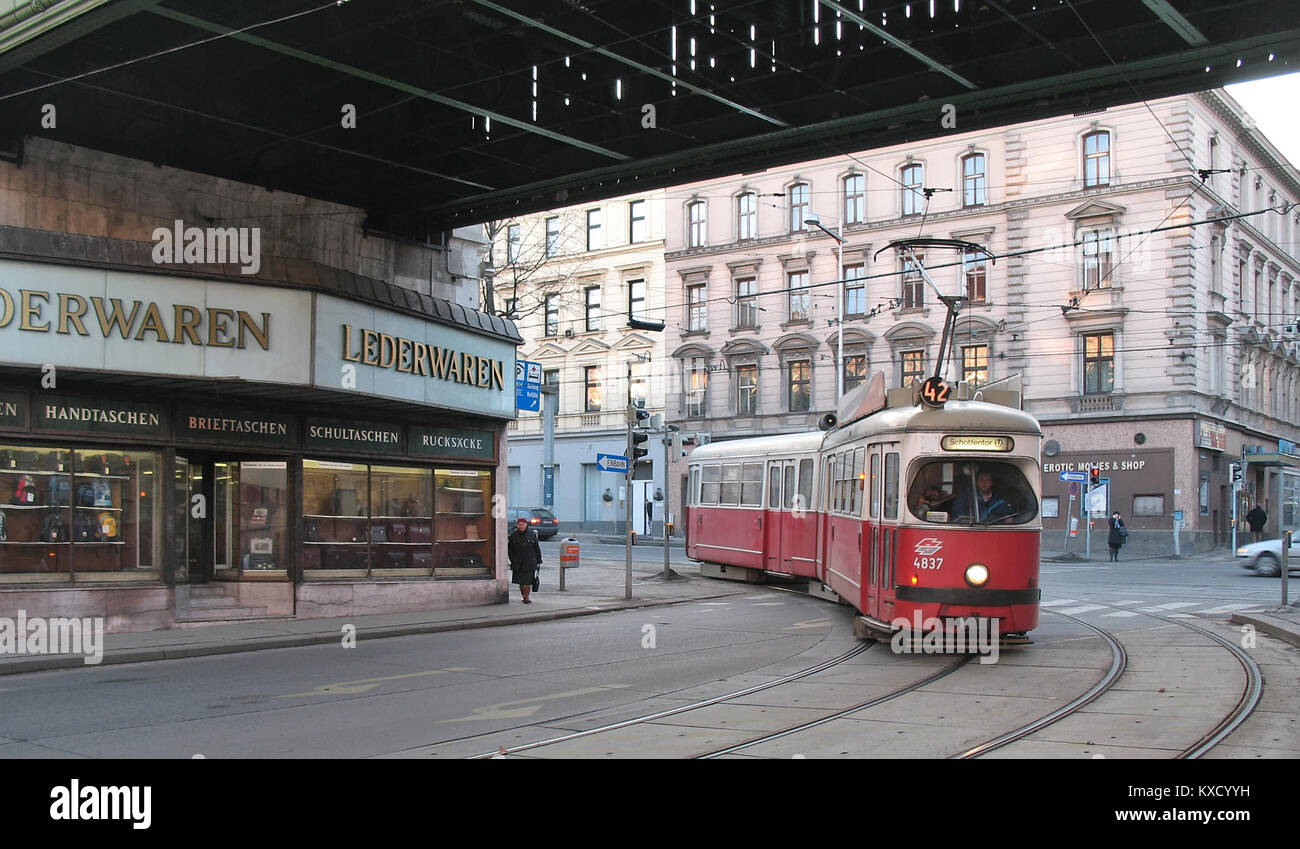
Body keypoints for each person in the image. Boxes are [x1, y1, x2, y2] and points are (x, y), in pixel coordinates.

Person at [949, 471, 1017, 524]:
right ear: (976, 482)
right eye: (981, 480)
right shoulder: (965, 499)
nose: (984, 483)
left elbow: (1009, 519)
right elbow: (957, 519)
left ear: (992, 482)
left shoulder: (1000, 501)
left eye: (987, 480)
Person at [507, 516, 542, 603]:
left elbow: (537, 548)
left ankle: (526, 597)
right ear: (517, 525)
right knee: (521, 582)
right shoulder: (514, 535)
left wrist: (539, 560)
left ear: (526, 525)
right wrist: (512, 560)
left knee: (527, 581)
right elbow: (510, 549)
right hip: (518, 562)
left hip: (530, 562)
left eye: (523, 524)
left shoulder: (531, 534)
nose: (521, 526)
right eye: (520, 525)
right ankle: (523, 595)